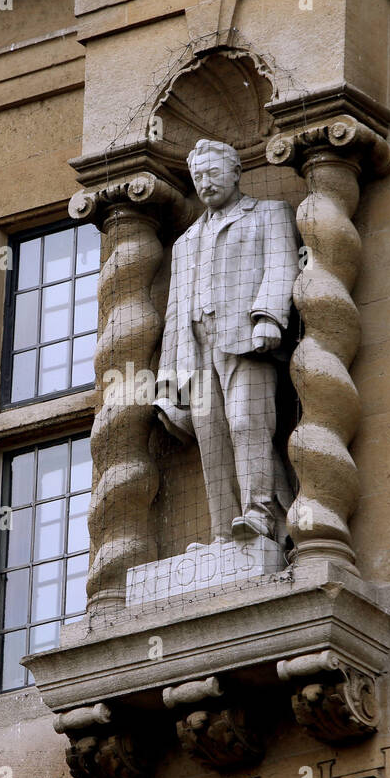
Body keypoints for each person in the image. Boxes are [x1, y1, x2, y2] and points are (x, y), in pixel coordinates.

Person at [154, 138, 298, 546]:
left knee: (247, 422)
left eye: (213, 173)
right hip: (196, 347)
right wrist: (169, 378)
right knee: (211, 436)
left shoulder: (268, 214)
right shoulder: (184, 243)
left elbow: (281, 263)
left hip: (246, 339)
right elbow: (175, 311)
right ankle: (222, 531)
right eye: (198, 177)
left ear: (236, 172)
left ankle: (261, 515)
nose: (205, 183)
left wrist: (269, 316)